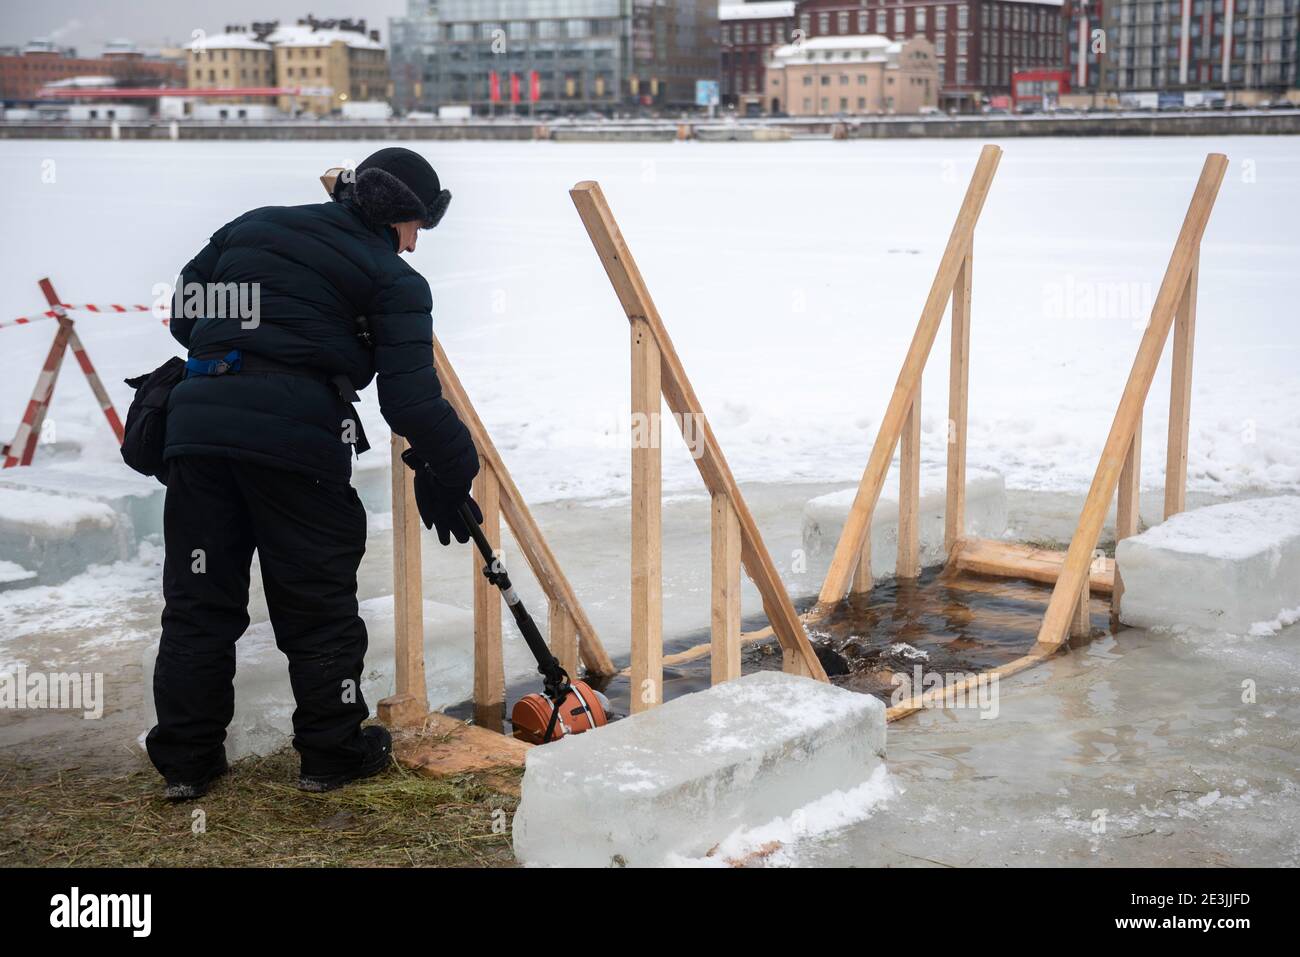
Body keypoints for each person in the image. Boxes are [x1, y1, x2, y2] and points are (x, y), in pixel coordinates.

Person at [146, 148, 481, 800]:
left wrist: (273, 324)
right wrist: (454, 467)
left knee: (197, 605)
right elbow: (410, 402)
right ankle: (333, 754)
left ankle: (187, 764)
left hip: (199, 435)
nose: (416, 244)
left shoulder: (253, 226)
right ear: (394, 218)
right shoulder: (393, 280)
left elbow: (187, 319)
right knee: (319, 608)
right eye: (418, 227)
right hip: (298, 442)